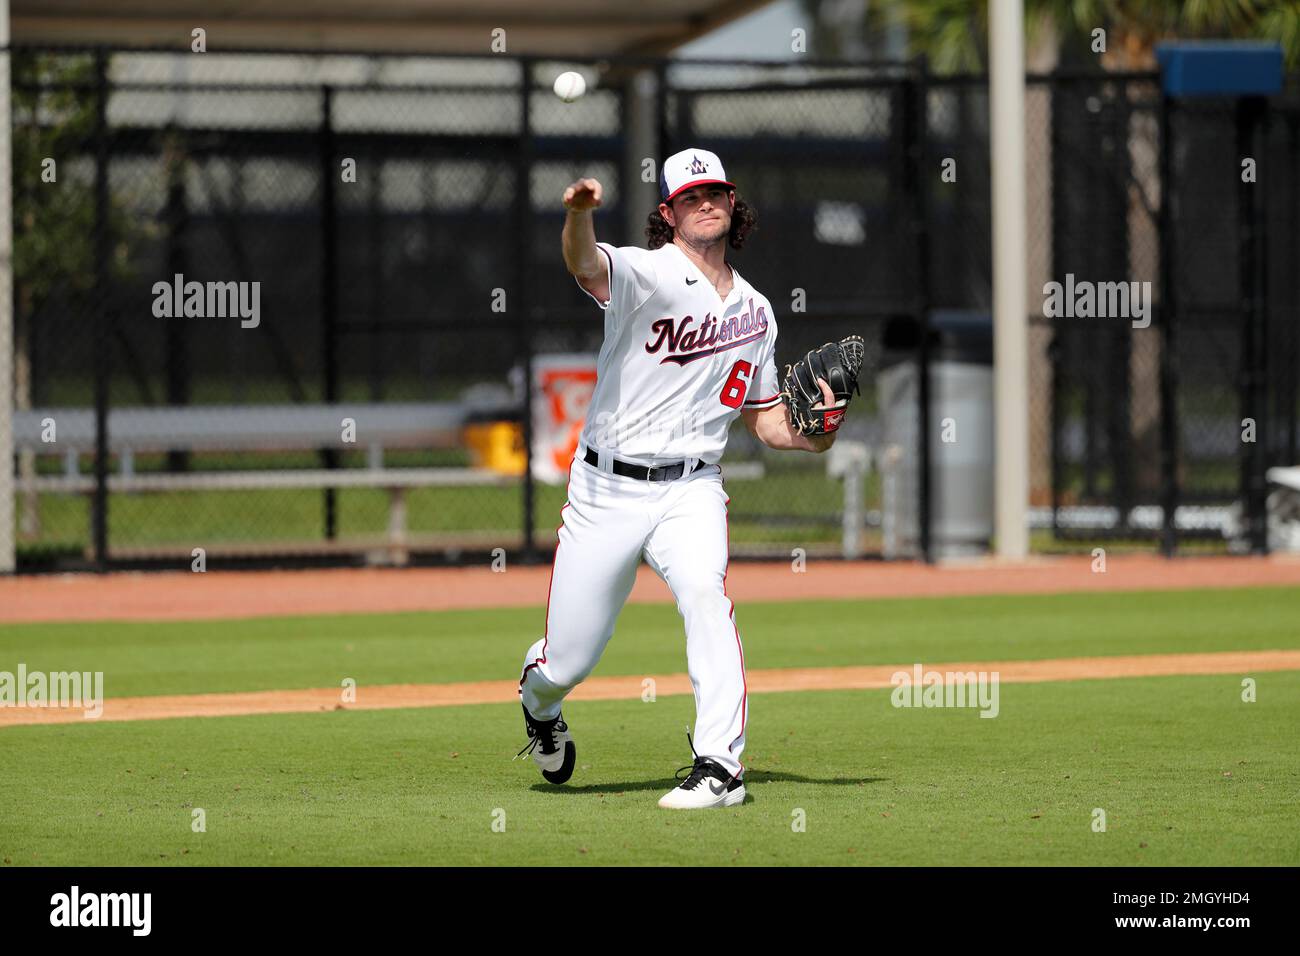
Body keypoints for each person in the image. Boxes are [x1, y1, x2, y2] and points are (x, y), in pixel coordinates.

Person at [516, 148, 837, 809]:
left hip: (692, 486)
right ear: (669, 213)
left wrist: (822, 431)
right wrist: (578, 215)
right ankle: (539, 700)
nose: (705, 202)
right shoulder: (647, 273)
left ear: (732, 203)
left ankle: (720, 768)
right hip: (607, 489)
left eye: (715, 192)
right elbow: (585, 262)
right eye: (691, 197)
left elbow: (768, 422)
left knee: (704, 595)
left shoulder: (757, 310)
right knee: (568, 661)